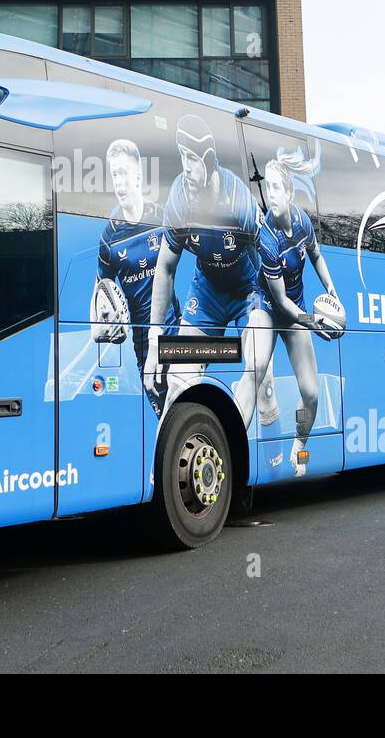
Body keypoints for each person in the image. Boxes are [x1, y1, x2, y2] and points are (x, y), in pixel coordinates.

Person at [144, 115, 262, 419]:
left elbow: (266, 262)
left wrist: (265, 311)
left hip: (246, 290)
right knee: (177, 383)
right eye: (183, 157)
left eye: (192, 159)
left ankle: (247, 438)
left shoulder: (240, 202)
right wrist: (156, 333)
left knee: (258, 367)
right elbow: (166, 268)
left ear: (209, 162)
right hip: (207, 294)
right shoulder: (180, 197)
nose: (186, 167)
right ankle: (163, 467)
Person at [243, 158, 342, 477]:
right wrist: (309, 320)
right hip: (269, 303)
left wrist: (330, 286)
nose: (270, 194)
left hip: (295, 302)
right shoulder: (267, 239)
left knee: (311, 393)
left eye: (275, 187)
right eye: (267, 187)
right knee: (256, 368)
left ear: (287, 191)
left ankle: (299, 445)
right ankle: (237, 446)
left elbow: (315, 254)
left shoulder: (301, 221)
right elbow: (281, 301)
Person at [94, 139, 178, 416]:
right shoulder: (110, 236)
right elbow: (101, 292)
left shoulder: (161, 217)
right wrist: (100, 325)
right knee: (162, 417)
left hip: (174, 332)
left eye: (123, 173)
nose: (118, 181)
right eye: (114, 174)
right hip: (142, 343)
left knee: (182, 411)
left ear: (138, 176)